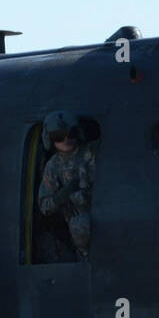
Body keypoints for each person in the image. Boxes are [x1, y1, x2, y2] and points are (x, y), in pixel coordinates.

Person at [37, 110, 96, 262]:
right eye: (58, 137)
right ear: (50, 139)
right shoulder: (53, 166)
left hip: (103, 211)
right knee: (79, 225)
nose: (66, 139)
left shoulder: (92, 152)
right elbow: (45, 206)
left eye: (71, 134)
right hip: (81, 227)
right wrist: (62, 195)